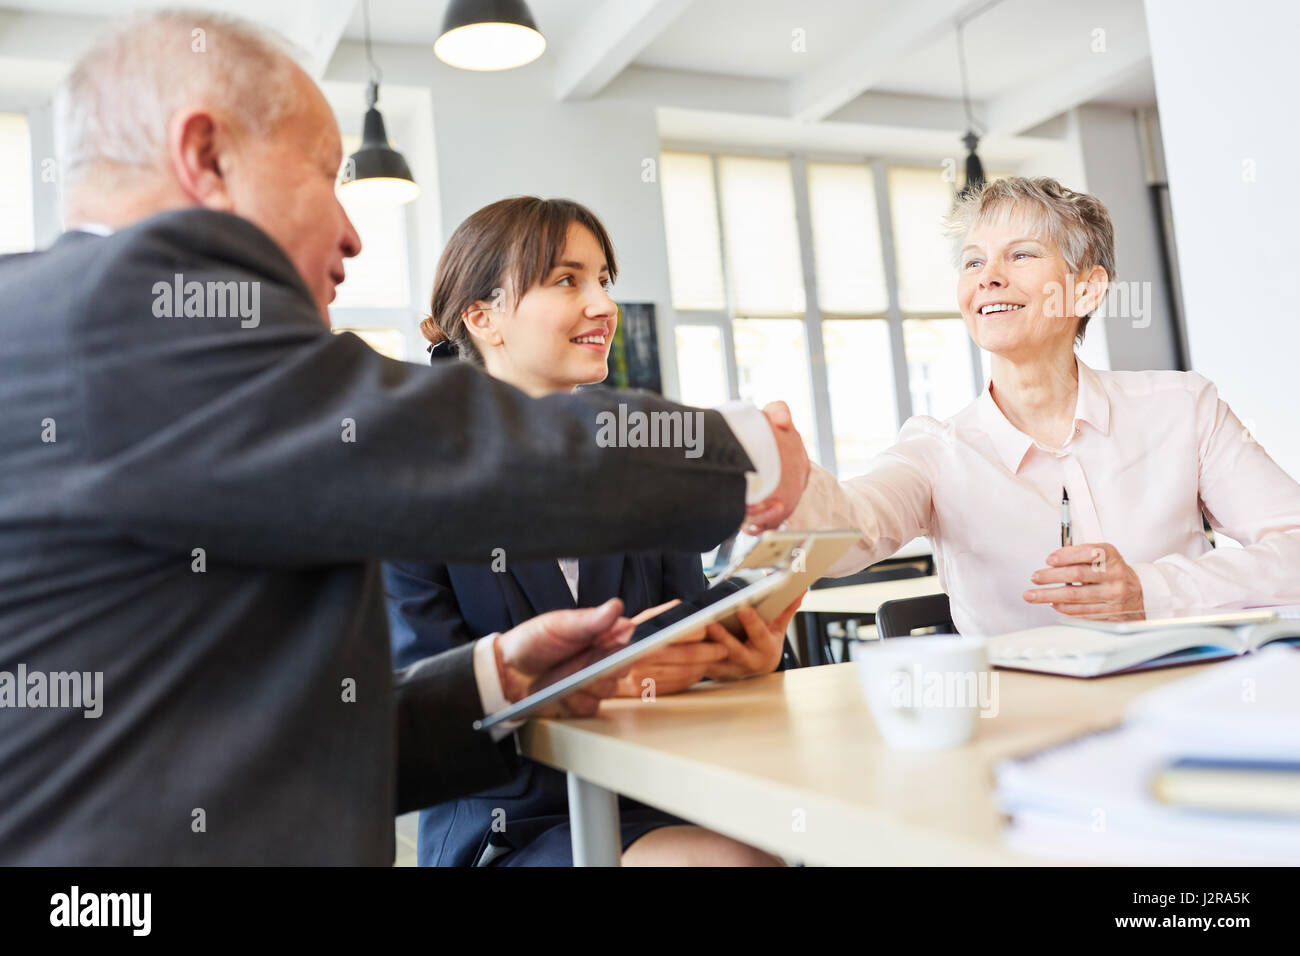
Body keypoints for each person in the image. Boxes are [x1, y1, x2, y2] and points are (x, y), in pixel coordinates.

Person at [0, 11, 809, 864]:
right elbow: (477, 448)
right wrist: (746, 449)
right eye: (324, 173)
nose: (351, 233)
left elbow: (278, 742)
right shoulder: (134, 309)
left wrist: (505, 679)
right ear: (206, 157)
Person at [385, 197, 803, 866]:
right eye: (566, 279)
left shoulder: (642, 469)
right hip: (514, 827)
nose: (603, 304)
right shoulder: (412, 487)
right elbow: (427, 712)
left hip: (659, 794)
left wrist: (742, 663)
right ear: (483, 317)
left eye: (604, 279)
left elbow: (689, 625)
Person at [747, 177, 1300, 636]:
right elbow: (856, 529)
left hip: (1185, 698)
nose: (987, 277)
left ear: (1085, 290)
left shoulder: (1184, 408)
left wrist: (1148, 592)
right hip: (1019, 725)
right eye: (972, 262)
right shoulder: (937, 448)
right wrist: (794, 491)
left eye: (1021, 254)